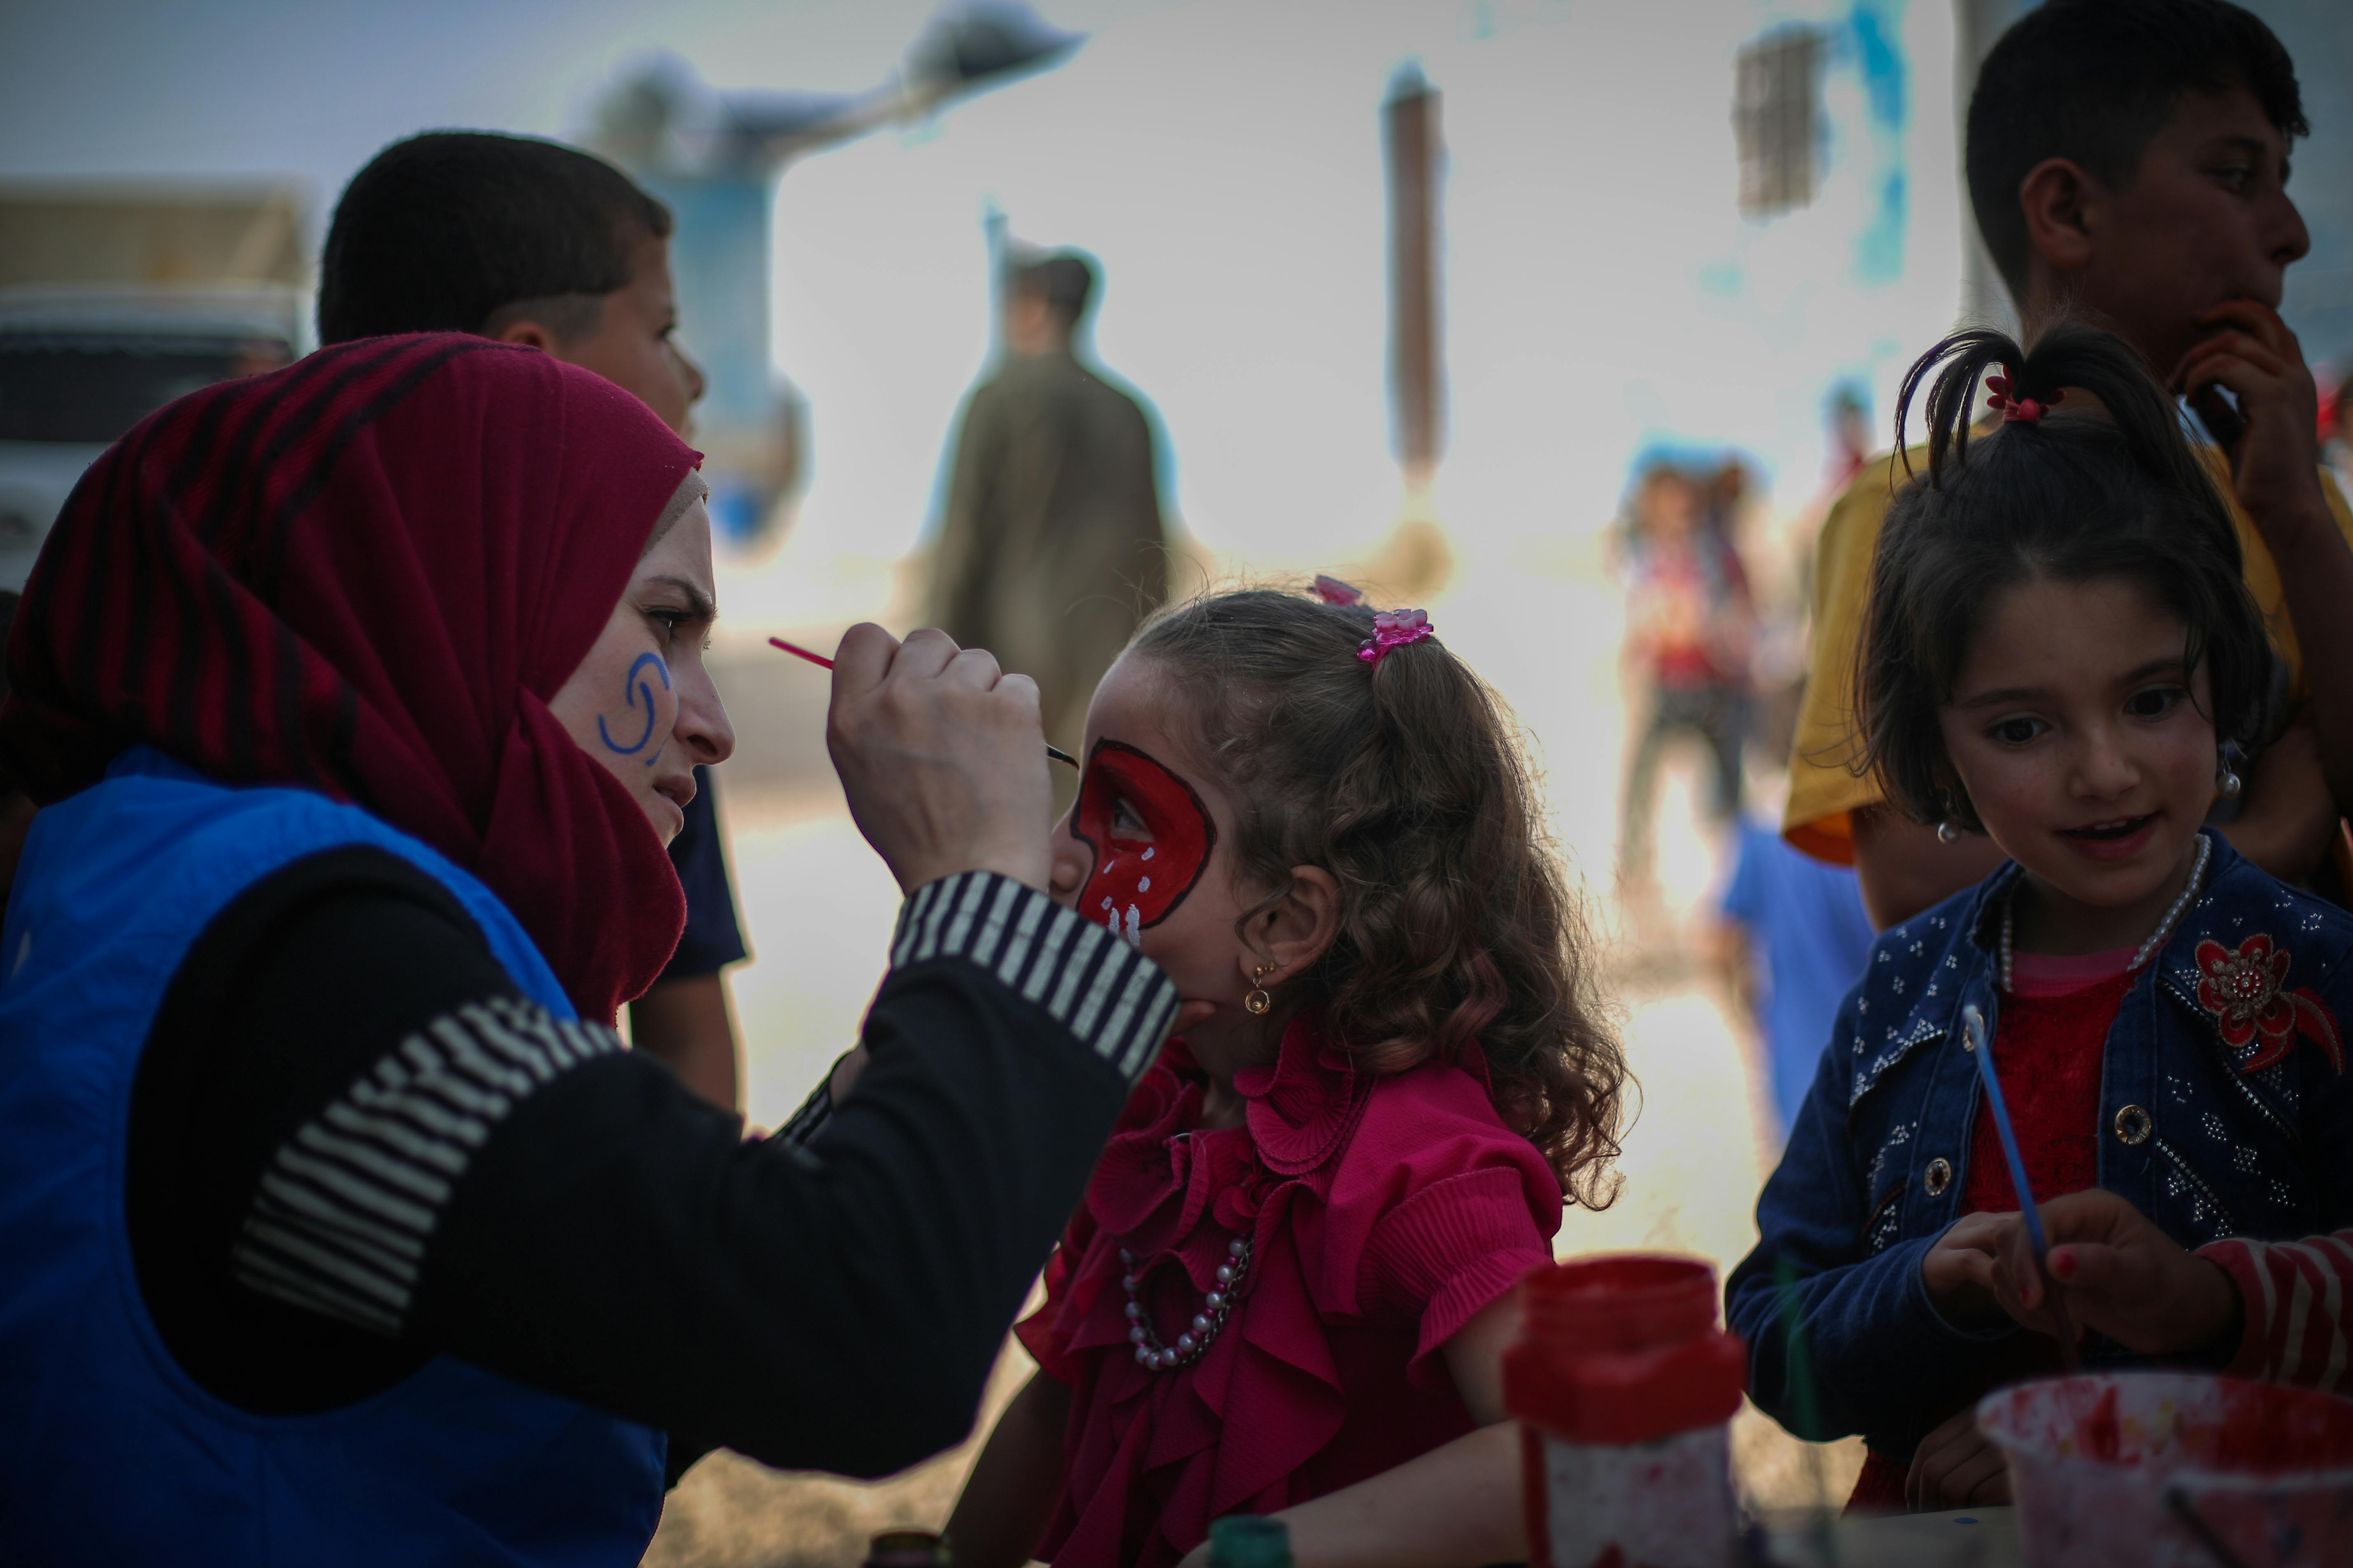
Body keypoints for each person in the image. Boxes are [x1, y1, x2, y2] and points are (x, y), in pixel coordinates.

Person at [0, 338, 1180, 1563]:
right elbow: (859, 1344)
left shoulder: (190, 878)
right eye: (666, 623)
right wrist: (974, 895)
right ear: (461, 583)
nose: (712, 725)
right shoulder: (293, 957)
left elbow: (623, 1335)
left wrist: (970, 976)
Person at [1727, 324, 2353, 1515]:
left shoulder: (2312, 971)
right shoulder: (1898, 992)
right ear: (1938, 752)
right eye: (2022, 727)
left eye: (2151, 699)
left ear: (2217, 673)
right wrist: (1924, 1292)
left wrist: (2212, 1312)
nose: (2105, 770)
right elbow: (1773, 1334)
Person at [942, 584, 1628, 1568]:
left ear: (1287, 923)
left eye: (1123, 815)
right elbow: (1067, 1398)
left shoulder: (1416, 1166)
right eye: (1071, 799)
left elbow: (1576, 1459)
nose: (1055, 858)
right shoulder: (1151, 1115)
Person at [1782, 0, 2353, 929]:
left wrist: (2295, 518)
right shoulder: (1912, 506)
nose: (2289, 230)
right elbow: (1915, 891)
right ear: (2065, 210)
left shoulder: (2289, 502)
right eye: (2235, 175)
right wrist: (2278, 831)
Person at [316, 130, 748, 1110]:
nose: (695, 378)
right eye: (664, 331)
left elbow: (687, 1055)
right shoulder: (273, 875)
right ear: (526, 367)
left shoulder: (642, 706)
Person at [928, 249, 1169, 789]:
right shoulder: (1129, 411)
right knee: (1086, 809)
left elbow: (964, 541)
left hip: (1012, 645)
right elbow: (1155, 549)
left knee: (1012, 809)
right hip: (1109, 648)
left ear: (1033, 303)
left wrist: (936, 652)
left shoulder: (996, 401)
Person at [1618, 462, 1754, 889]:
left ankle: (1738, 876)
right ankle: (1634, 870)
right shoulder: (1642, 558)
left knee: (1728, 786)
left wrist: (1719, 636)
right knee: (1642, 783)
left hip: (1709, 683)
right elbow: (1638, 623)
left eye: (1683, 503)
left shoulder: (1713, 556)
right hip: (1666, 684)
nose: (1677, 511)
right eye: (1668, 502)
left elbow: (1733, 617)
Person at [1716, 815, 1876, 1140]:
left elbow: (1719, 939)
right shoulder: (1878, 827)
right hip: (1882, 1051)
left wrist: (1741, 1007)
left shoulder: (1764, 838)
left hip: (1800, 1057)